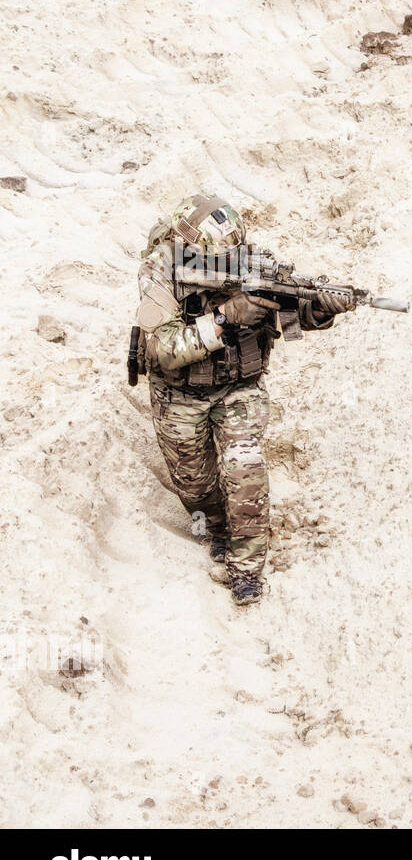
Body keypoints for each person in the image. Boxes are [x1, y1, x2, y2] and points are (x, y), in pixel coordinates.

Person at [134, 194, 353, 604]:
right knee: (195, 486)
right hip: (179, 394)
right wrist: (224, 317)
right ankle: (215, 528)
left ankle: (247, 567)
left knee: (245, 466)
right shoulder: (161, 271)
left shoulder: (252, 264)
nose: (226, 264)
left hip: (240, 388)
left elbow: (293, 313)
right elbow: (160, 351)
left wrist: (321, 309)